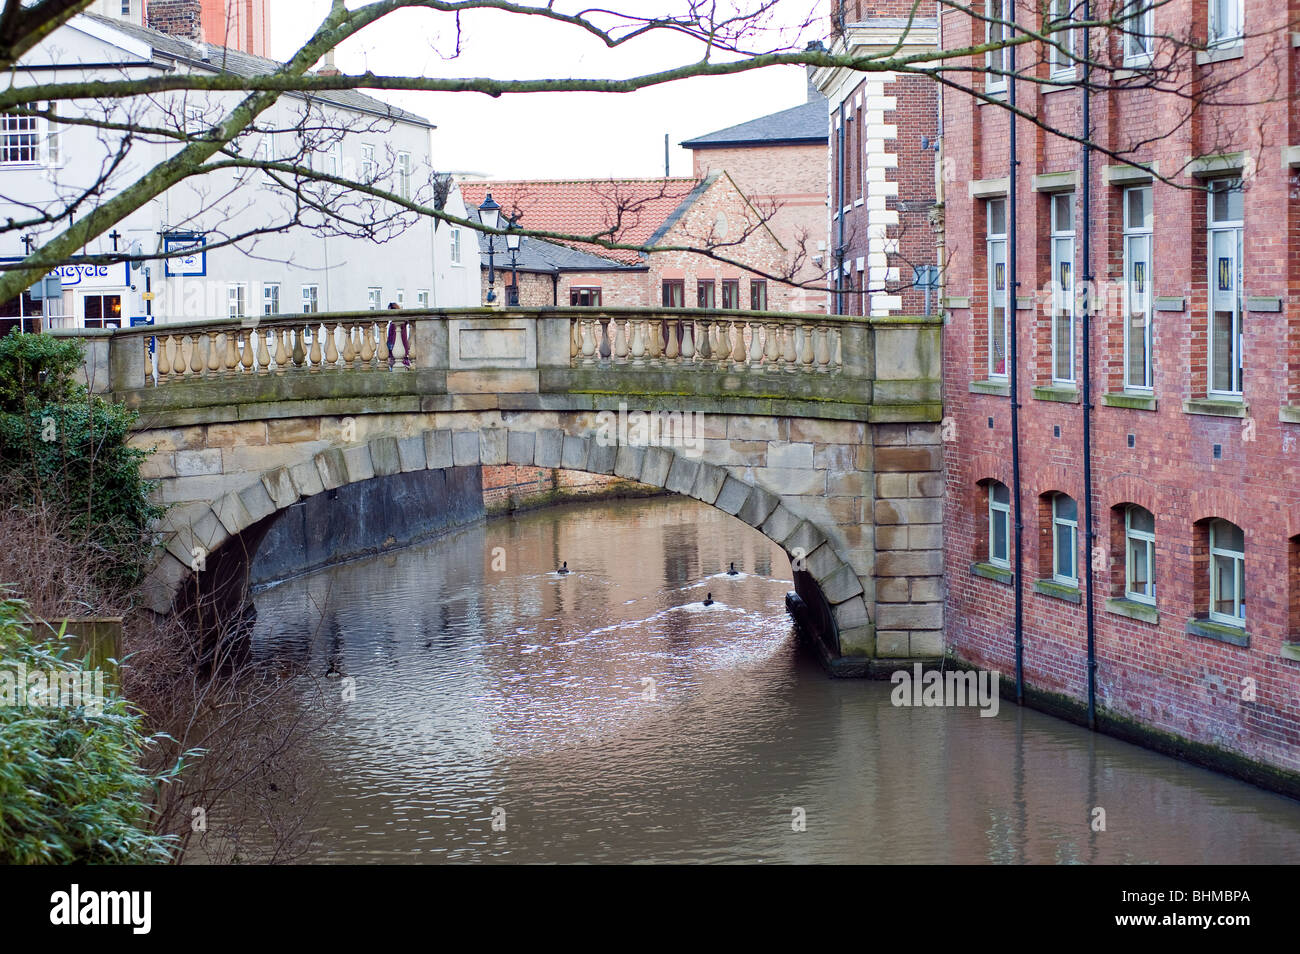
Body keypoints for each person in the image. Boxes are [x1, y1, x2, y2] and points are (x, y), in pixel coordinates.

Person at [385, 301, 410, 369]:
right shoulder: (394, 323)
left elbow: (394, 337)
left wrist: (390, 353)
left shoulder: (398, 323)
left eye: (390, 311)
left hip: (397, 349)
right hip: (394, 349)